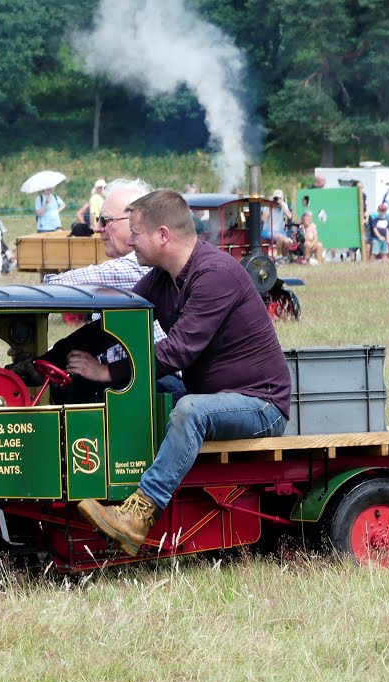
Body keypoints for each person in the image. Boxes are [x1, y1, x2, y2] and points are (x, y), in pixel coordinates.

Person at [53, 189, 290, 556]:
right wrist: (51, 359)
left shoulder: (215, 274)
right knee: (155, 391)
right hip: (213, 398)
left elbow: (178, 351)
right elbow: (115, 325)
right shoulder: (162, 277)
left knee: (188, 411)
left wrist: (106, 372)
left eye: (136, 232)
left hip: (258, 406)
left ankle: (139, 514)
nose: (130, 241)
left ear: (163, 235)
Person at [40, 178, 181, 403]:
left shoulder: (137, 266)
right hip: (130, 375)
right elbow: (101, 337)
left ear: (136, 222)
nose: (97, 228)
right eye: (98, 220)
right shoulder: (135, 269)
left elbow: (56, 286)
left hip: (158, 382)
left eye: (105, 220)